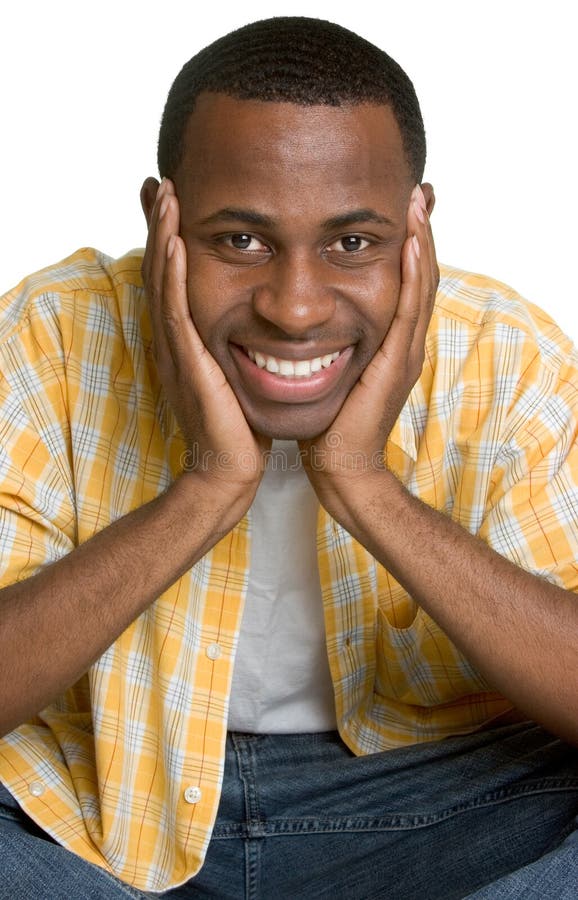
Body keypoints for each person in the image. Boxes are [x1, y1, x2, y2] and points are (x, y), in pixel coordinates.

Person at [0, 15, 577, 899]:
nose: (296, 308)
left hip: (426, 806)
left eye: (353, 243)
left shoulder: (508, 354)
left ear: (417, 226)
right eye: (242, 240)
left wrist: (362, 484)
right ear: (165, 220)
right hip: (97, 806)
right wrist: (208, 486)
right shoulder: (52, 337)